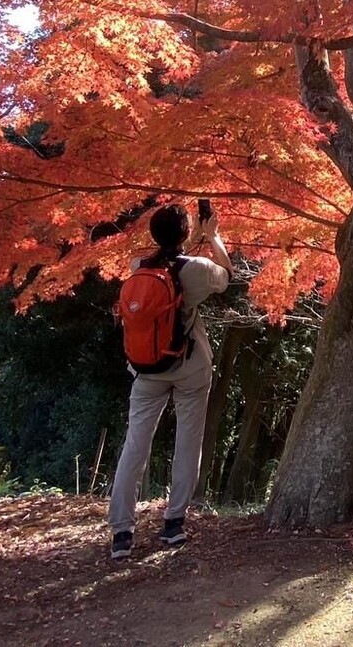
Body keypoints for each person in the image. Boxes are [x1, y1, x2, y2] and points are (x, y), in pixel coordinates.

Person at [107, 203, 229, 560]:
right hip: (189, 367)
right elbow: (226, 274)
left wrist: (190, 239)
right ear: (186, 232)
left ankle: (121, 533)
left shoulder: (137, 268)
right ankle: (173, 522)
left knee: (135, 445)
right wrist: (212, 237)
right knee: (188, 442)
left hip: (146, 369)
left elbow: (168, 267)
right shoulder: (199, 270)